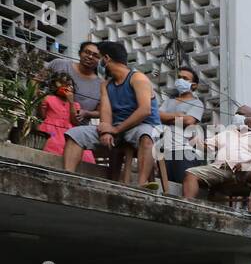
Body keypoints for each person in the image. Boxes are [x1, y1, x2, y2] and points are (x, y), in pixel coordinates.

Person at [62, 40, 162, 189]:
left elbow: (144, 110)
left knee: (146, 137)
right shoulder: (106, 85)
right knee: (75, 134)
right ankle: (67, 180)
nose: (97, 62)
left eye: (99, 57)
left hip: (144, 126)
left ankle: (142, 186)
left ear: (106, 59)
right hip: (116, 128)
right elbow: (106, 111)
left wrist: (115, 130)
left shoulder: (138, 78)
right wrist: (105, 130)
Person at [182, 104, 251, 217]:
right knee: (190, 173)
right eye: (236, 114)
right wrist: (194, 139)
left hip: (244, 171)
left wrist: (246, 163)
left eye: (240, 114)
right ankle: (187, 206)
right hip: (220, 168)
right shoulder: (226, 134)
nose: (236, 116)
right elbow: (205, 147)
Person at [156, 66, 206, 195]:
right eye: (179, 77)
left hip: (184, 151)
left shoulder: (197, 103)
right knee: (166, 188)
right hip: (165, 149)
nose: (180, 80)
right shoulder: (168, 102)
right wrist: (179, 115)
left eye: (185, 78)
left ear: (193, 85)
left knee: (181, 187)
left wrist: (168, 118)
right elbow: (157, 116)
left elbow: (189, 121)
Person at [39, 74, 94, 164]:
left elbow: (74, 121)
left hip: (69, 132)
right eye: (63, 84)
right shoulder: (49, 99)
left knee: (83, 152)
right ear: (55, 86)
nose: (66, 87)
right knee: (55, 144)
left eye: (69, 85)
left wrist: (71, 102)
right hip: (52, 131)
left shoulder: (75, 105)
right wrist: (41, 103)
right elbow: (42, 116)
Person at [42, 41, 102, 118]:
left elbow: (101, 112)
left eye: (95, 55)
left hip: (77, 127)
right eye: (87, 52)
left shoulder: (101, 85)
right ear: (80, 53)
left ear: (100, 60)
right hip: (46, 122)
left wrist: (86, 113)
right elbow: (36, 81)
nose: (90, 56)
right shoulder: (59, 64)